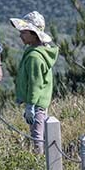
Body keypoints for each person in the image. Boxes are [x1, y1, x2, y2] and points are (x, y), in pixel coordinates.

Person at [11, 11, 58, 153]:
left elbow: (35, 84)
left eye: (24, 32)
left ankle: (39, 160)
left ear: (33, 34)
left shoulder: (34, 58)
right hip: (41, 101)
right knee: (41, 131)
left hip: (37, 103)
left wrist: (30, 104)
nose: (21, 35)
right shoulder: (39, 52)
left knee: (37, 135)